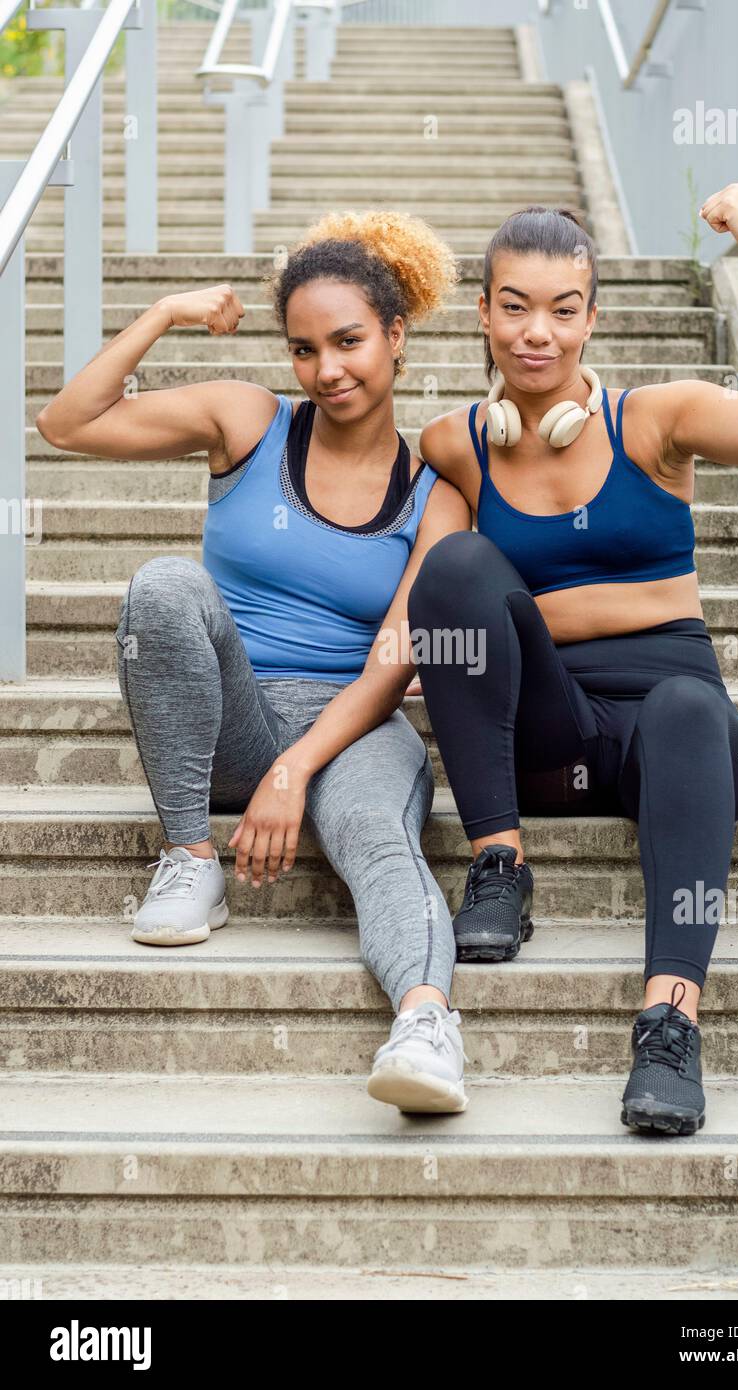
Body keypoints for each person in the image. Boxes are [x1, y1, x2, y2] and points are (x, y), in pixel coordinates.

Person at [408, 185, 738, 1135]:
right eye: (514, 306)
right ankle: (498, 863)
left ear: (593, 318)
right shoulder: (462, 444)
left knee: (686, 705)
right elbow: (425, 610)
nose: (537, 334)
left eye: (563, 311)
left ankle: (669, 1025)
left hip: (679, 745)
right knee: (458, 564)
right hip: (550, 736)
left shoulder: (655, 421)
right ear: (482, 312)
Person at [34, 210, 474, 1116]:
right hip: (231, 712)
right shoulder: (250, 419)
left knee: (380, 843)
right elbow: (67, 422)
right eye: (305, 349)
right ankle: (193, 857)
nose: (328, 370)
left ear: (395, 336)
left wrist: (295, 768)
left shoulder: (436, 493)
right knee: (163, 585)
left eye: (349, 341)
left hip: (353, 726)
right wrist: (163, 313)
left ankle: (427, 1027)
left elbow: (394, 663)